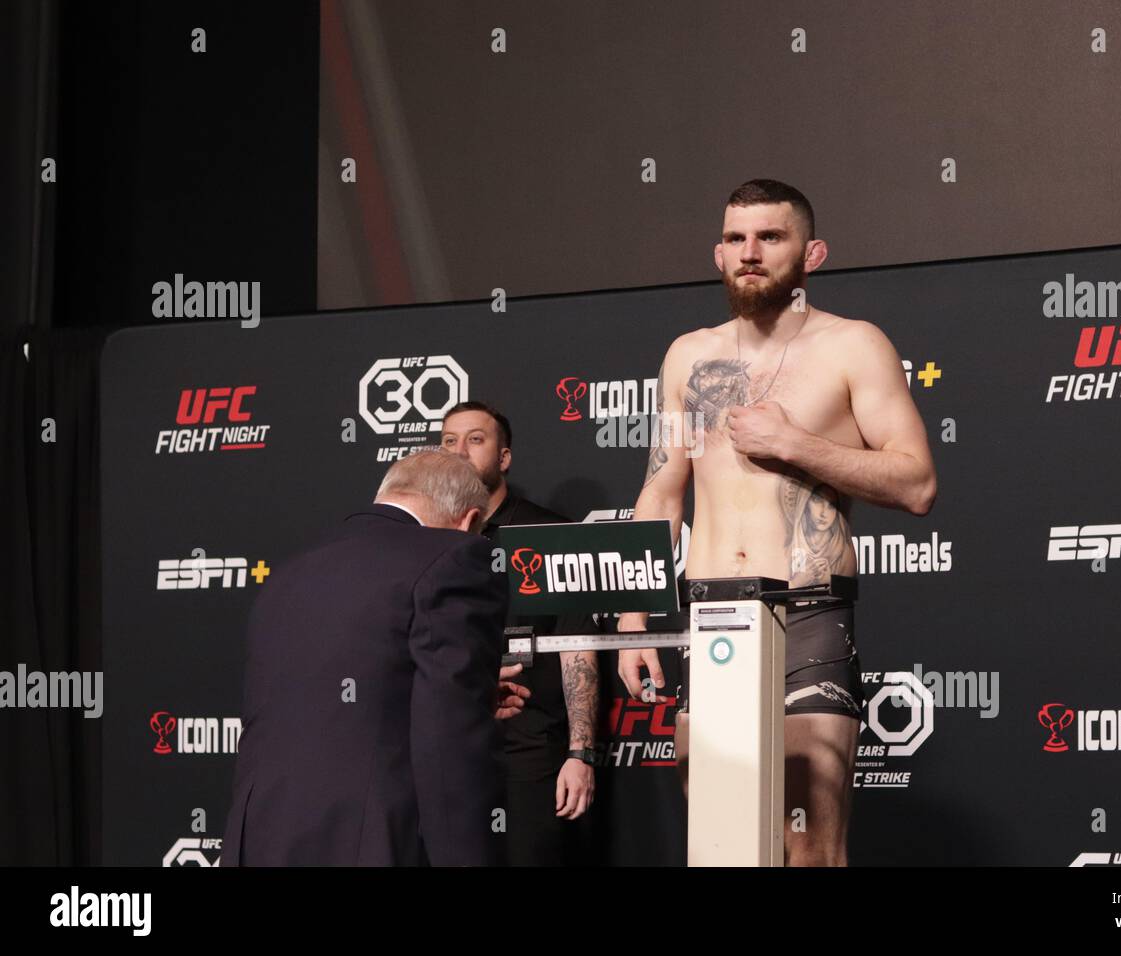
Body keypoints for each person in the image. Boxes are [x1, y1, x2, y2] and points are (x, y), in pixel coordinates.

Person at [616, 179, 938, 866]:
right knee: (721, 843)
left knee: (809, 846)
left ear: (812, 252)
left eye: (771, 237)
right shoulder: (686, 356)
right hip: (707, 619)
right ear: (718, 253)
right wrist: (633, 620)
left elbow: (916, 482)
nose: (750, 253)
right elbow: (662, 492)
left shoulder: (853, 346)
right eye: (736, 239)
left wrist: (798, 445)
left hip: (807, 616)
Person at [221, 449, 510, 866]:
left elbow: (333, 698)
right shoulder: (454, 558)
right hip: (372, 842)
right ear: (467, 522)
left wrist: (473, 693)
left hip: (262, 836)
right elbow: (451, 741)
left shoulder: (288, 573)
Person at [441, 401, 598, 866]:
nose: (460, 451)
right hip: (446, 747)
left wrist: (581, 753)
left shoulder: (549, 534)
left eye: (475, 439)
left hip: (530, 751)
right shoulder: (429, 537)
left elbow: (577, 648)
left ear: (504, 457)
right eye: (449, 441)